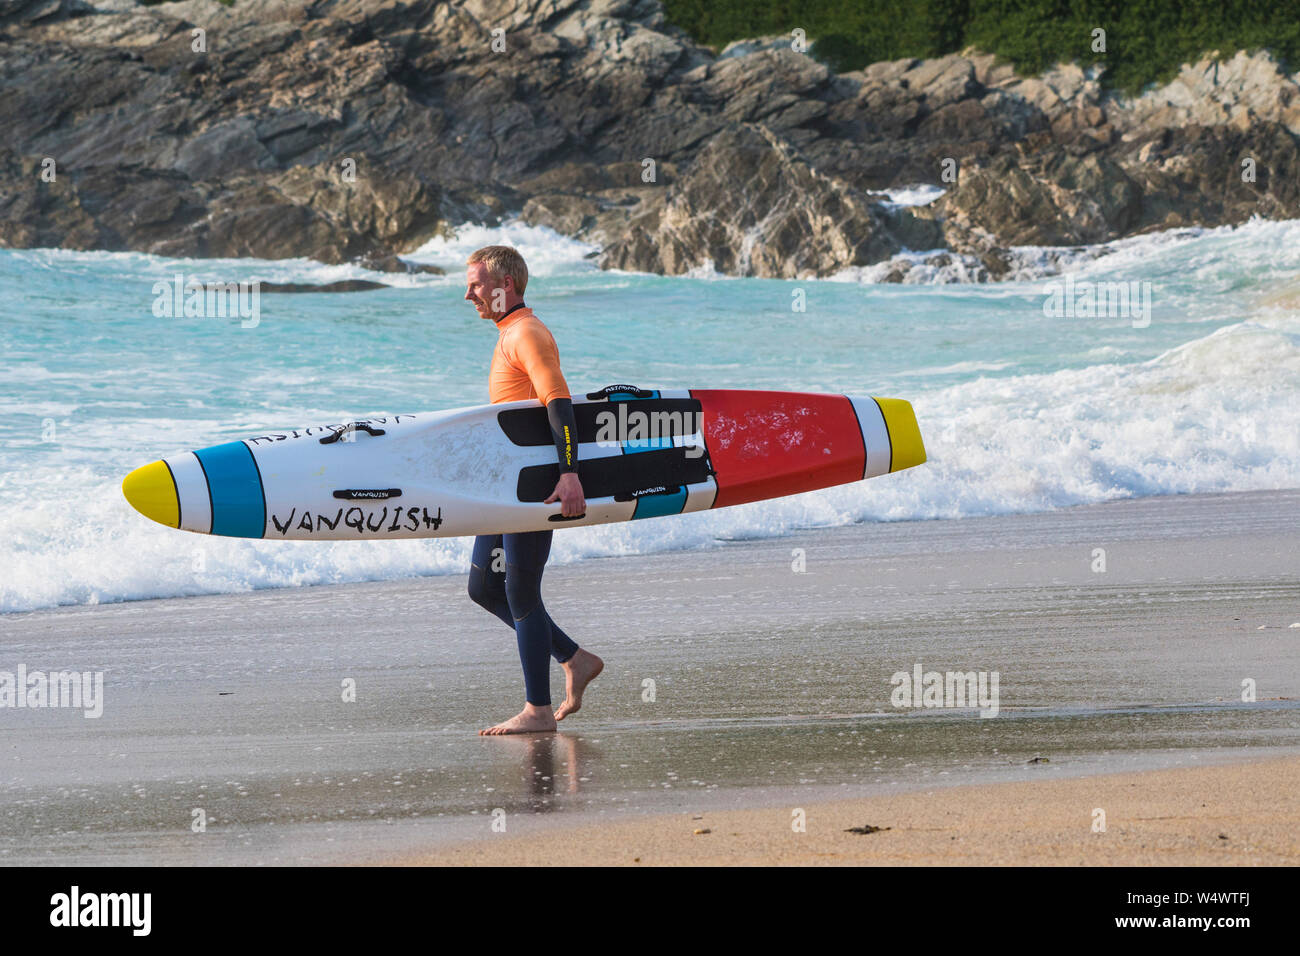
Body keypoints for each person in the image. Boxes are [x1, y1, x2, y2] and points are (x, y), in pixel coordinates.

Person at [464, 245, 604, 735]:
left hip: (533, 486)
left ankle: (538, 711)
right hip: (506, 487)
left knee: (520, 592)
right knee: (484, 588)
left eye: (477, 285)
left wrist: (570, 474)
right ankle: (574, 659)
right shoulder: (511, 332)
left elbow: (559, 402)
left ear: (506, 286)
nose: (469, 294)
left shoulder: (525, 332)